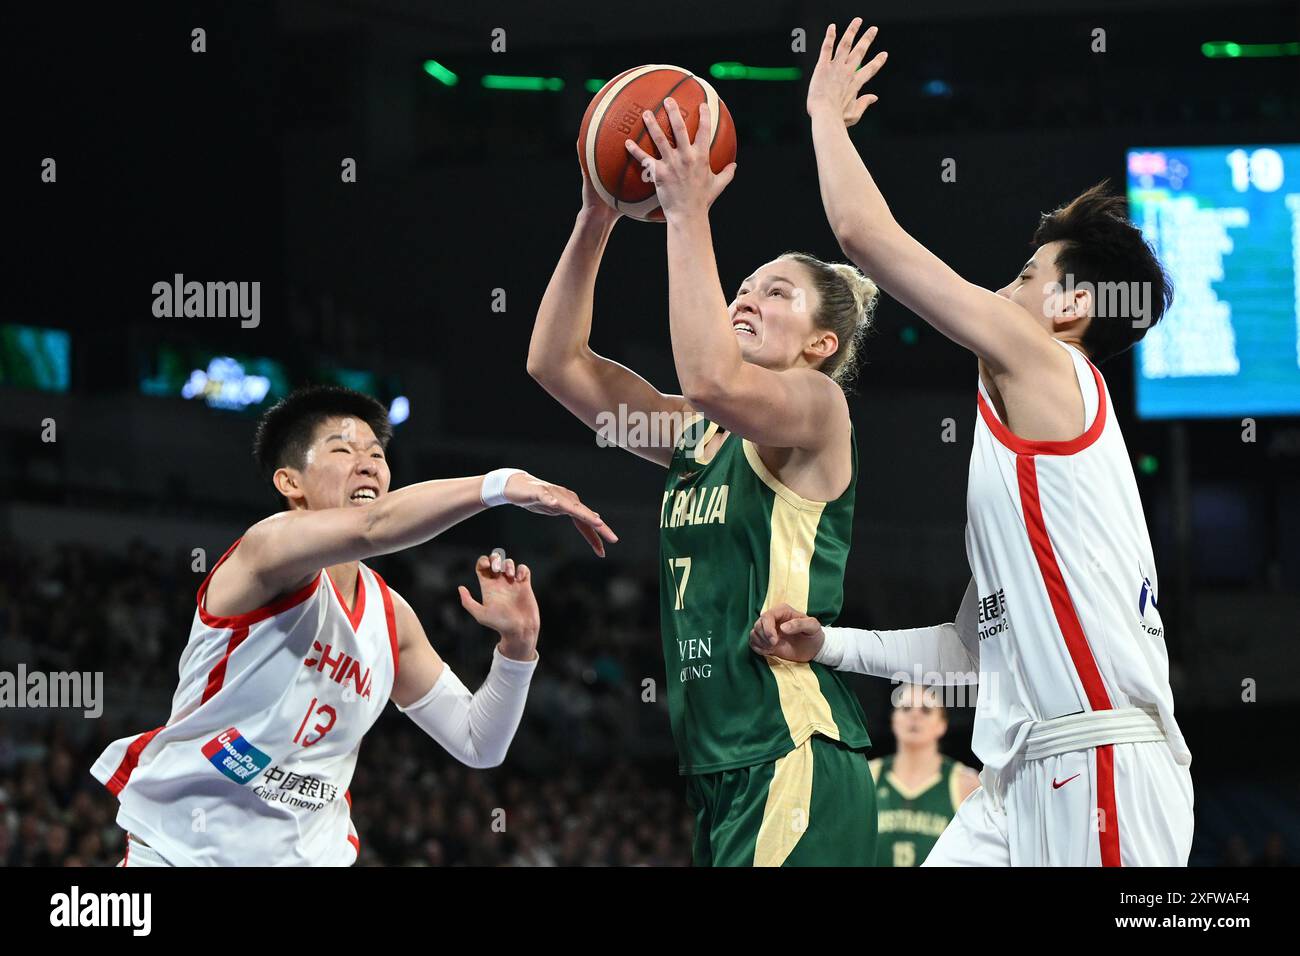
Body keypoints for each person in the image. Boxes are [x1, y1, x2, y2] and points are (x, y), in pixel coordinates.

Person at [754, 19, 1194, 866]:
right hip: (1018, 777)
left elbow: (865, 240)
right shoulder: (1028, 447)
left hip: (1101, 768)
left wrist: (821, 119)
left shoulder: (1051, 368)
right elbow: (970, 650)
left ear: (1071, 309)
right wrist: (832, 644)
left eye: (1028, 276)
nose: (1003, 286)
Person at [526, 108, 879, 866]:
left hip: (792, 750)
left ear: (822, 346)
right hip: (718, 767)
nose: (746, 298)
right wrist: (598, 214)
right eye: (743, 288)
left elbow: (710, 376)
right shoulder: (694, 433)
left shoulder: (818, 409)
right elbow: (556, 364)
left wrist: (687, 212)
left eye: (776, 293)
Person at [90, 385, 616, 865]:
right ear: (289, 481)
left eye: (377, 455)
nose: (367, 465)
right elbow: (373, 529)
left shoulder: (391, 619)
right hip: (180, 852)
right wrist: (503, 484)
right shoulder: (264, 551)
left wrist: (517, 647)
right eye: (343, 451)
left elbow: (480, 743)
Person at [869, 685, 979, 867]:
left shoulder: (966, 783)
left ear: (942, 725)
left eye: (926, 710)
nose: (915, 715)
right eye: (906, 709)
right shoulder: (868, 775)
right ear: (893, 720)